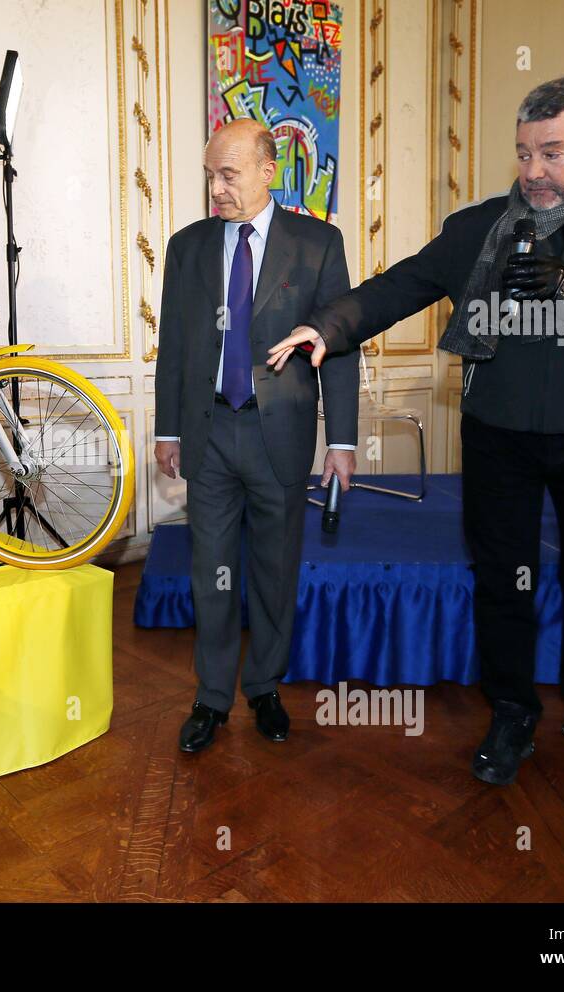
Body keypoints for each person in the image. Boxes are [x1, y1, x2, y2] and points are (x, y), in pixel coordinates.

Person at [269, 76, 564, 784]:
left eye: (552, 153)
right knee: (504, 582)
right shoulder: (484, 224)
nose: (532, 171)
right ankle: (511, 714)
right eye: (523, 153)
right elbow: (402, 284)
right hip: (497, 437)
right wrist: (326, 325)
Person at [155, 118, 359, 753]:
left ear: (268, 172)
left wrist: (343, 441)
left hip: (281, 436)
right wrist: (167, 429)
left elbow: (341, 346)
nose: (215, 188)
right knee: (211, 570)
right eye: (210, 175)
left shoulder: (318, 243)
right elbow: (175, 349)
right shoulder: (187, 247)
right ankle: (212, 698)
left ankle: (264, 686)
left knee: (274, 568)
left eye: (228, 175)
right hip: (209, 432)